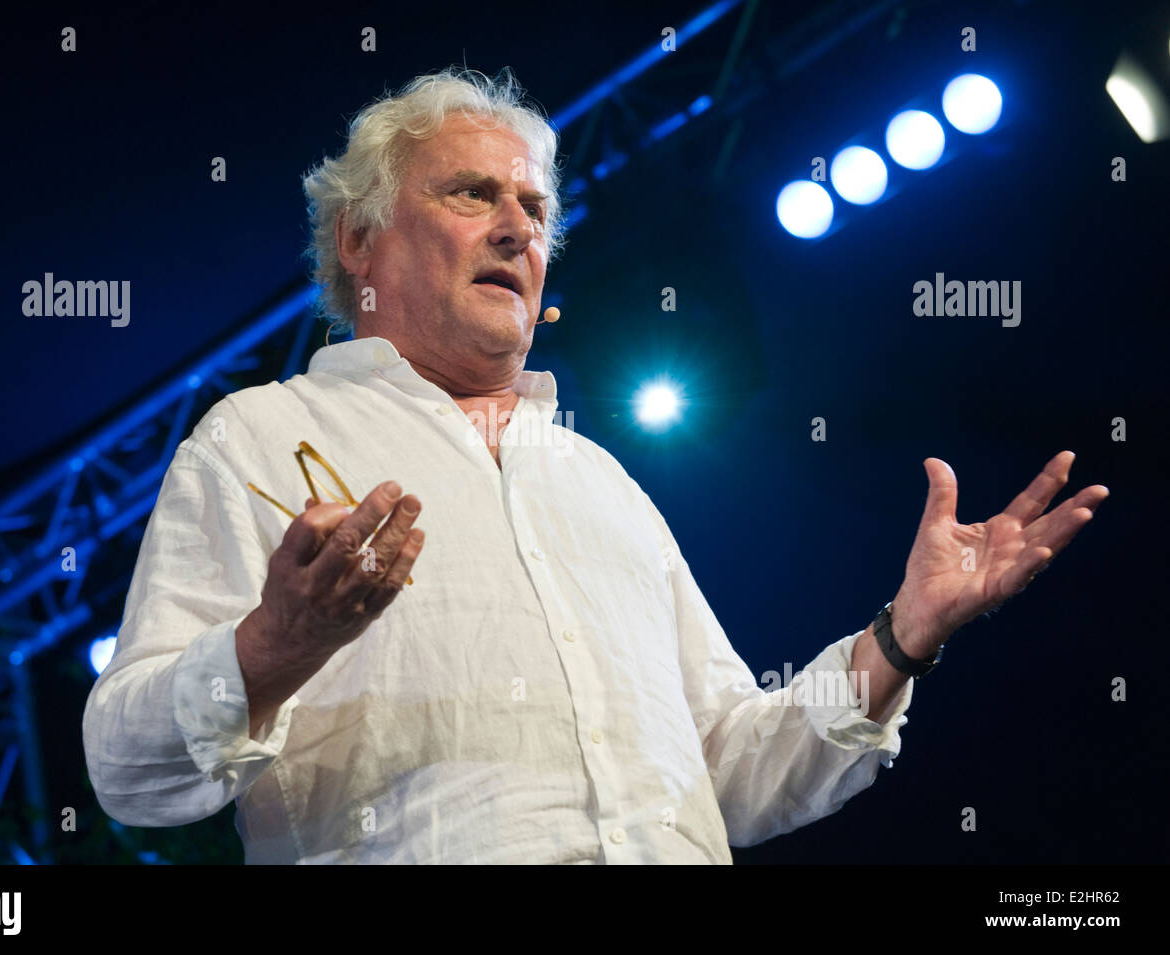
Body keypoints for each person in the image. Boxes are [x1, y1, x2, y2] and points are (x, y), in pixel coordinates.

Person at [82, 66, 1108, 863]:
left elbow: (733, 768)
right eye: (472, 193)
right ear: (360, 240)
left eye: (533, 207)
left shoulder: (598, 481)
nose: (516, 226)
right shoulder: (258, 435)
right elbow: (124, 765)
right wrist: (274, 644)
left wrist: (901, 636)